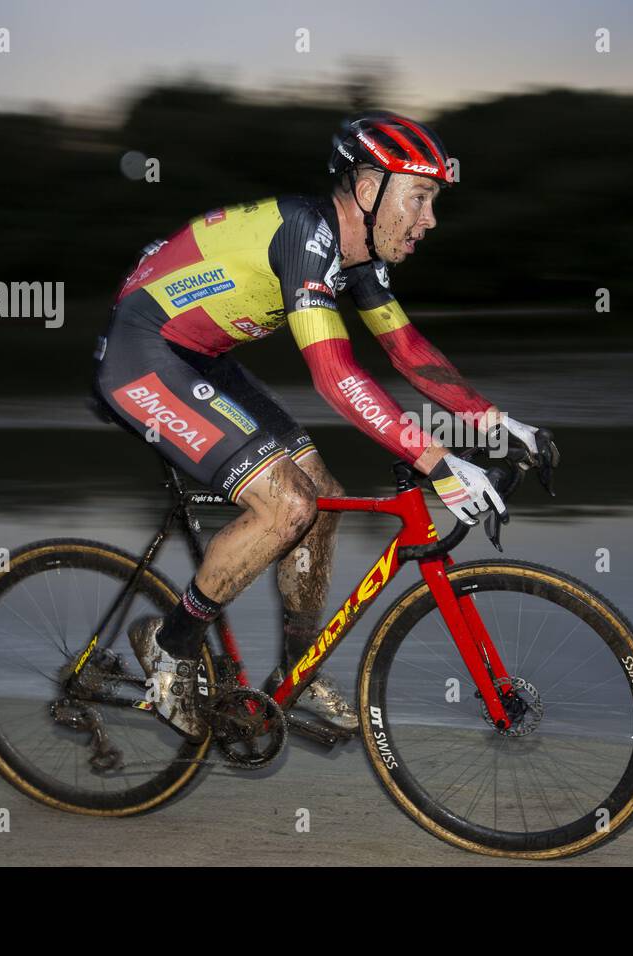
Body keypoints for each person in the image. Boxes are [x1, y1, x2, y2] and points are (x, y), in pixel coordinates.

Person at [90, 111, 558, 741]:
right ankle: (169, 645)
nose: (430, 220)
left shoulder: (357, 253)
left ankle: (297, 673)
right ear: (368, 191)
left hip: (200, 357)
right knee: (287, 503)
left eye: (434, 202)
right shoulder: (307, 236)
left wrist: (501, 426)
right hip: (142, 354)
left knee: (321, 494)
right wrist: (439, 464)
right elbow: (336, 377)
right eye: (419, 198)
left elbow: (408, 352)